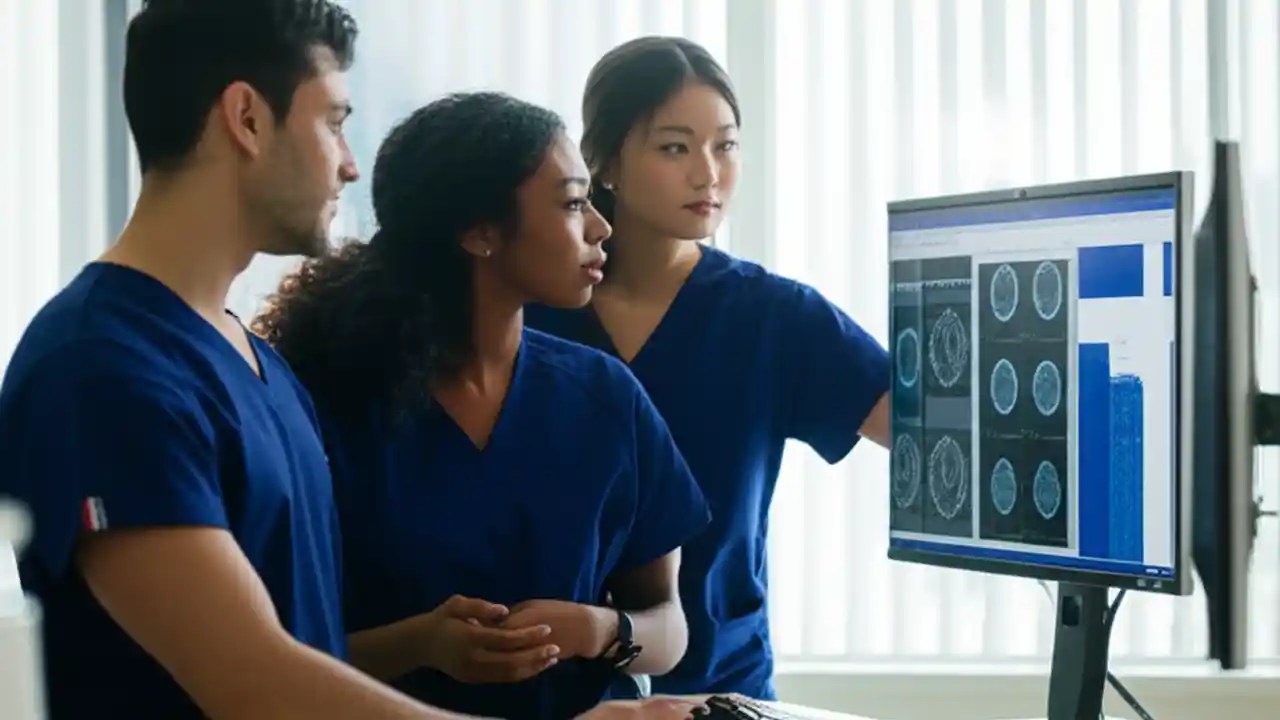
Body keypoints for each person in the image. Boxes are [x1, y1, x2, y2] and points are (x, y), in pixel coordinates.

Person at [0, 2, 701, 718]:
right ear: (245, 117)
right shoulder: (104, 371)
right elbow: (258, 683)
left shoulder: (256, 369)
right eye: (333, 120)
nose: (349, 162)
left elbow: (315, 651)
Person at [254, 91, 713, 720]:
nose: (601, 227)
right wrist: (418, 645)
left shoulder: (605, 397)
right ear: (480, 232)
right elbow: (262, 656)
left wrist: (597, 628)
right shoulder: (321, 400)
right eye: (573, 203)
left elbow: (669, 625)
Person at [524, 37, 892, 700]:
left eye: (725, 145)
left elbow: (942, 438)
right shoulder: (533, 314)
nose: (709, 173)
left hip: (722, 696)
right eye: (674, 147)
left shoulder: (776, 318)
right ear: (605, 160)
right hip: (553, 698)